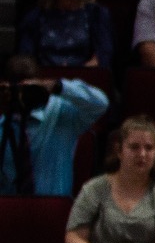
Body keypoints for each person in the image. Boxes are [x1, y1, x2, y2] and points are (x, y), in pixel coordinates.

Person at [0, 56, 105, 197]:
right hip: (8, 209)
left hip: (54, 209)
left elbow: (100, 104)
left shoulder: (62, 112)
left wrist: (58, 86)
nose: (21, 96)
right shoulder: (2, 119)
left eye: (27, 89)